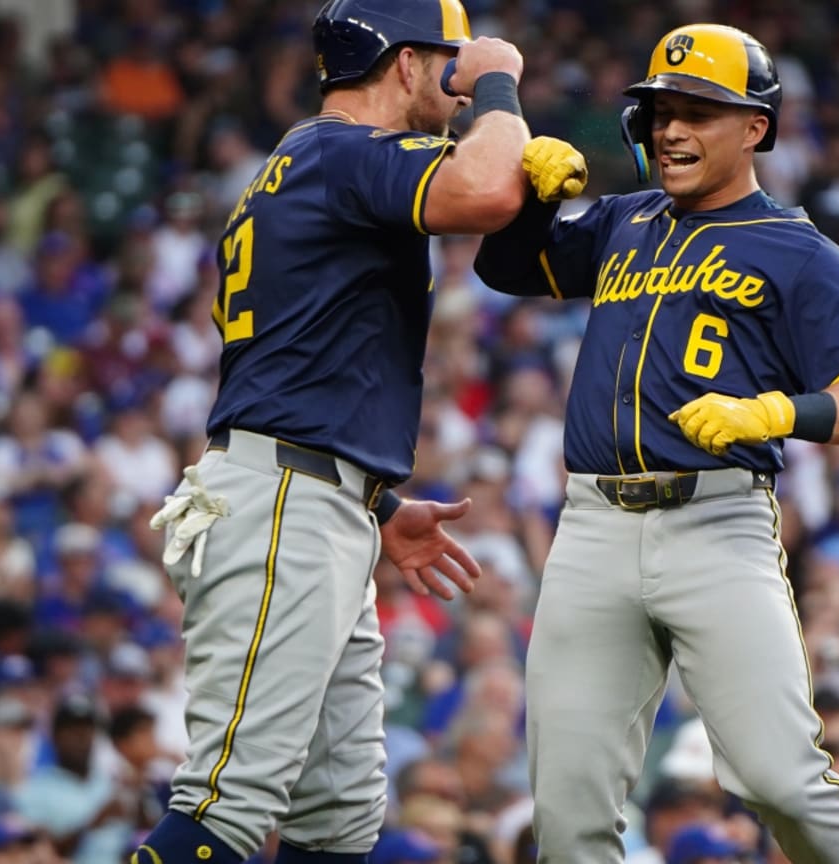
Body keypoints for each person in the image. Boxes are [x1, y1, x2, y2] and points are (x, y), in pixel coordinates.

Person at [131, 2, 588, 863]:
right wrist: (497, 79)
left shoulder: (314, 161)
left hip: (320, 498)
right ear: (405, 63)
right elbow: (487, 188)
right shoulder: (341, 150)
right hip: (282, 505)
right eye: (444, 65)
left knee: (338, 819)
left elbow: (308, 364)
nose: (455, 89)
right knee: (226, 805)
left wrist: (375, 508)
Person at [474, 22, 839, 863]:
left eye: (699, 111)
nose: (671, 130)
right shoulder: (622, 221)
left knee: (782, 780)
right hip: (592, 528)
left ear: (755, 127)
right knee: (565, 813)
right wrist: (531, 205)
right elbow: (506, 268)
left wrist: (777, 413)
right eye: (660, 111)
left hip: (717, 525)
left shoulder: (797, 250)